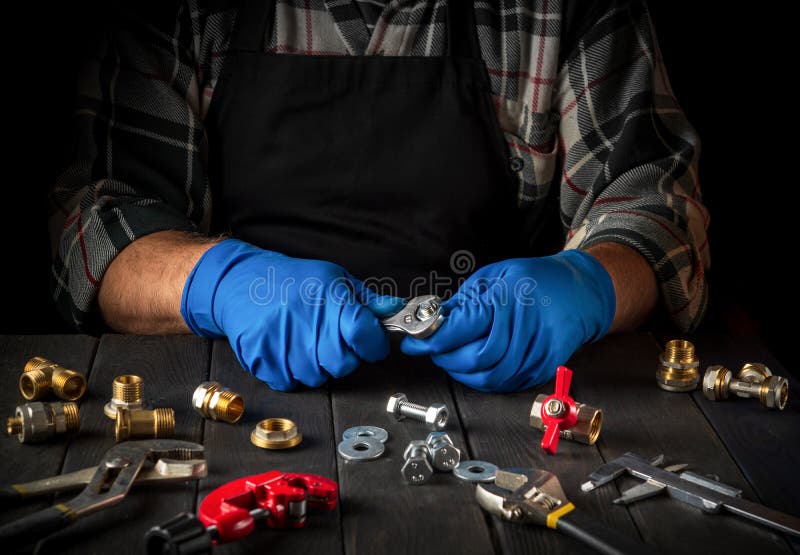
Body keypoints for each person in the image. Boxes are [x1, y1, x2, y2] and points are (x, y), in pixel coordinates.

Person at [48, 0, 709, 392]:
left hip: (499, 401)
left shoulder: (555, 10)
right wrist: (223, 283)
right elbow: (100, 222)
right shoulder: (183, 10)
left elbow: (654, 200)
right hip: (233, 402)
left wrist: (586, 283)